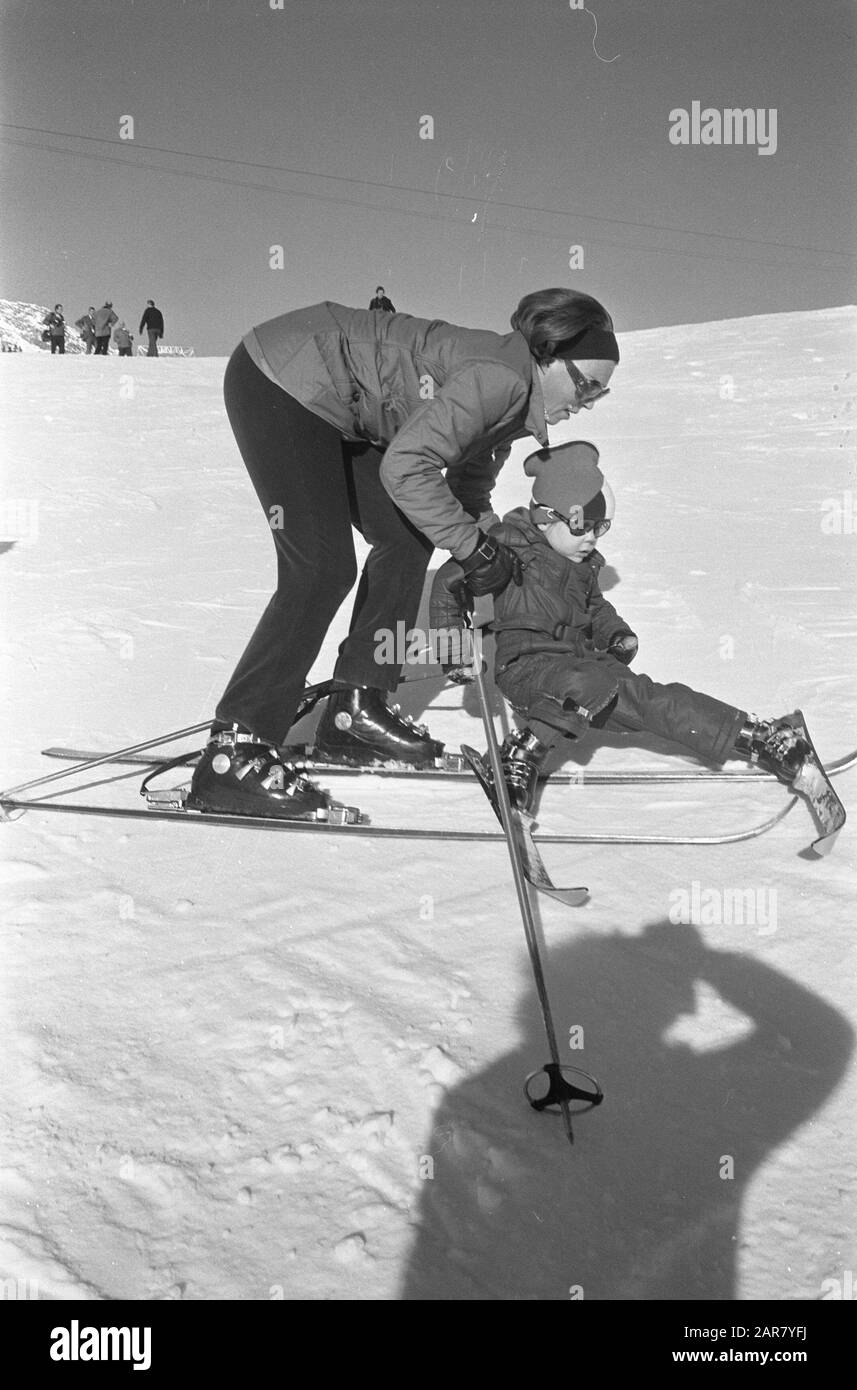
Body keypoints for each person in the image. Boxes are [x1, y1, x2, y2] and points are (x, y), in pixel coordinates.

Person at [188, 289, 619, 821]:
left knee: (406, 536)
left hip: (343, 407)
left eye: (599, 394)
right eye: (586, 384)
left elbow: (465, 499)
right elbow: (406, 469)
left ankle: (355, 710)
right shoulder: (500, 379)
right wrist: (472, 548)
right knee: (321, 568)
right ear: (547, 357)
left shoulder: (515, 409)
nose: (588, 402)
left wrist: (508, 558)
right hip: (283, 374)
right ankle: (235, 750)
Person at [430, 440, 812, 811]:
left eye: (602, 527)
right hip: (527, 671)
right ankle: (519, 754)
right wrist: (452, 650)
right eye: (584, 526)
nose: (593, 538)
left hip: (583, 670)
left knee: (653, 697)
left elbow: (595, 607)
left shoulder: (582, 565)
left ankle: (757, 737)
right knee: (592, 681)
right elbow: (447, 583)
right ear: (548, 517)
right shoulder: (506, 547)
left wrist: (615, 633)